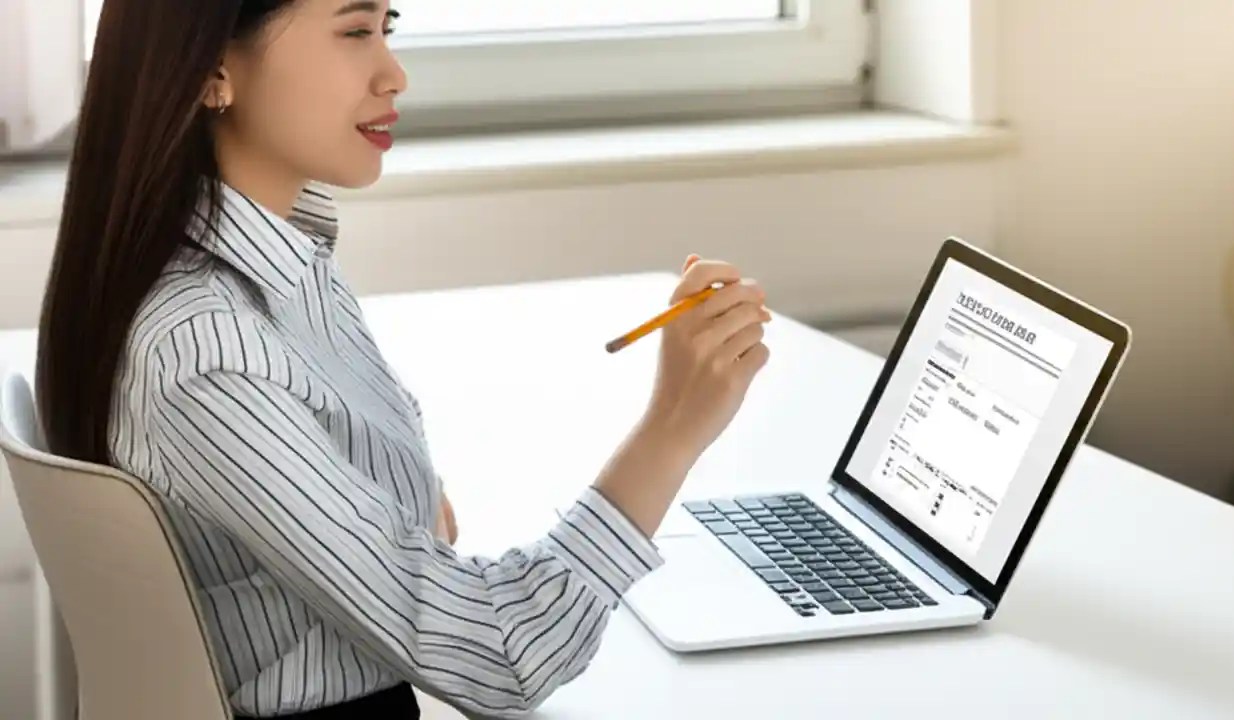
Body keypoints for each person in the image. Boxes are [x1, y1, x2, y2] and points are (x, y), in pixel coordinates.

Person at [35, 1, 771, 718]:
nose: (394, 74)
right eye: (355, 30)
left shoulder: (280, 268)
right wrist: (675, 425)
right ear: (213, 69)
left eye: (388, 29)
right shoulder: (209, 352)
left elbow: (424, 525)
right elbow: (500, 655)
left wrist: (399, 534)